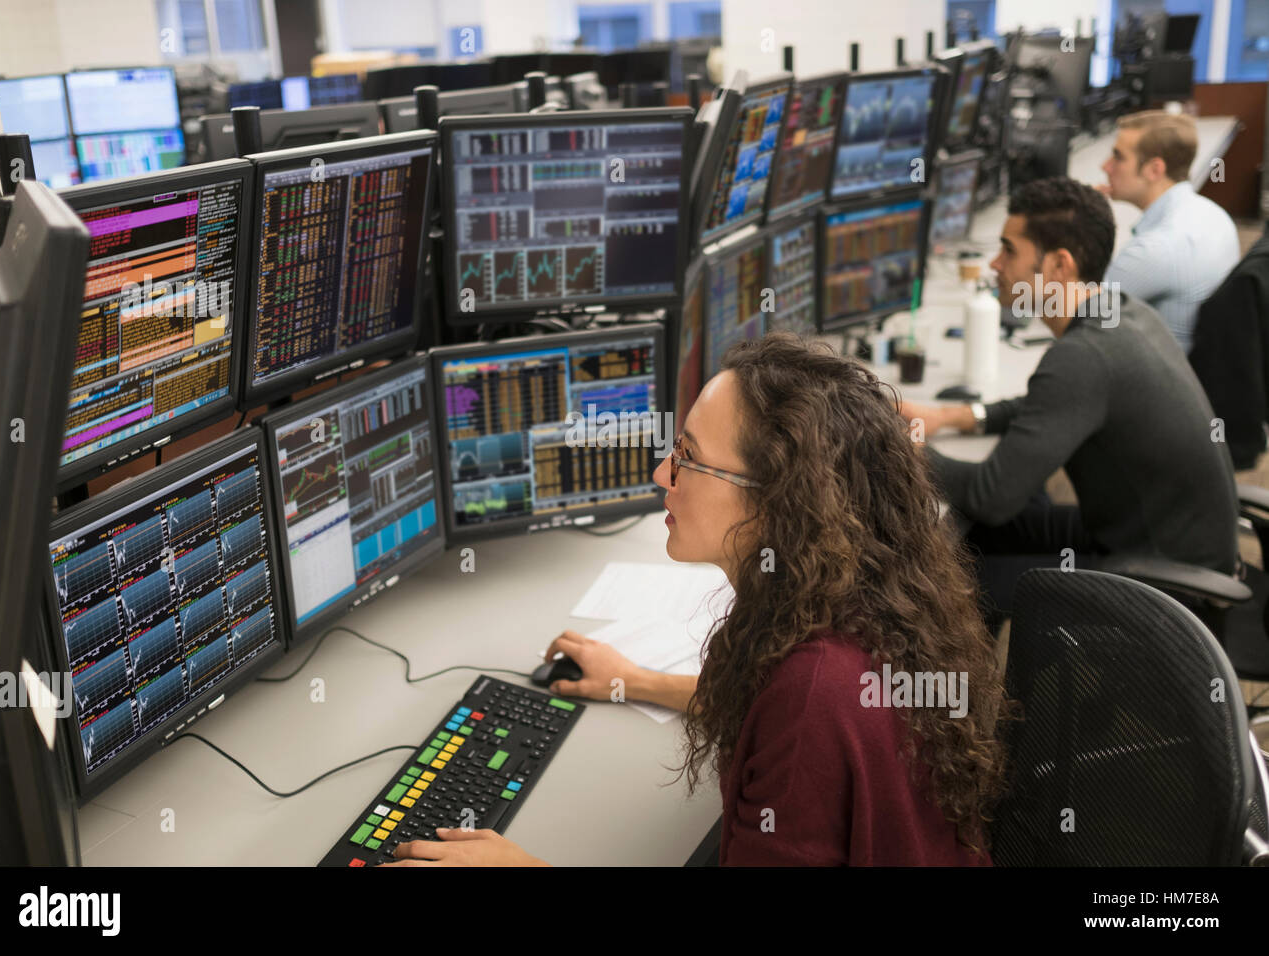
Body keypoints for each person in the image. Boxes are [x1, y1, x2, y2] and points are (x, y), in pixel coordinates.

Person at [384, 333, 1008, 866]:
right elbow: (763, 701)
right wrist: (635, 680)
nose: (662, 475)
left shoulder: (816, 689)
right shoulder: (839, 602)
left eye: (687, 457)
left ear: (777, 499)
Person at [900, 177, 1239, 630]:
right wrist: (955, 416)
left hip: (1169, 594)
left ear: (1059, 264)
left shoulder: (1083, 357)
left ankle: (978, 701)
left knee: (943, 579)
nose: (994, 263)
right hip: (1159, 546)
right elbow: (1052, 404)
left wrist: (906, 449)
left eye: (1009, 250)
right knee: (979, 538)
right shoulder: (1123, 312)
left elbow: (990, 496)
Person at [1100, 110, 1240, 351]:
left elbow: (1079, 316)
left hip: (1149, 382)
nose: (1105, 166)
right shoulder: (1214, 214)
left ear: (1154, 169)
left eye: (1118, 157)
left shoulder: (1155, 250)